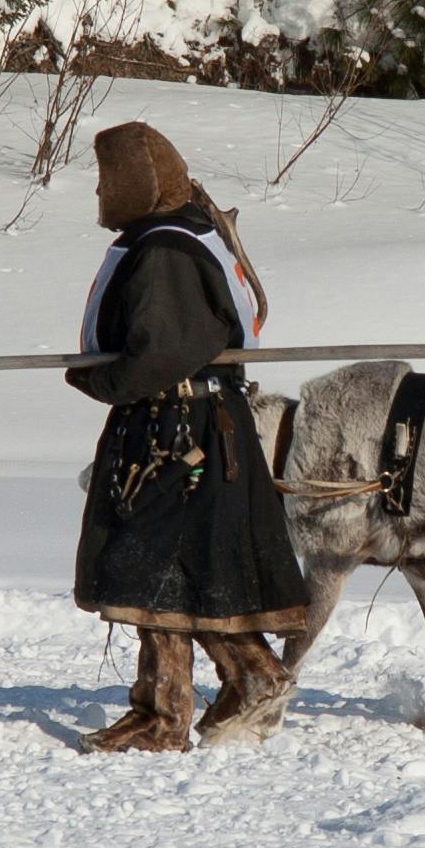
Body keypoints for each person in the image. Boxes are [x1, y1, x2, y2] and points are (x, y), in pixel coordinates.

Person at [68, 120, 308, 751]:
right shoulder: (174, 235)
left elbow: (164, 352)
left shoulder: (167, 252)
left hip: (178, 428)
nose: (99, 192)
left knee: (161, 567)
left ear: (138, 183)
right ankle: (167, 708)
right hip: (184, 424)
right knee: (172, 572)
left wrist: (100, 381)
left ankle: (230, 687)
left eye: (106, 179)